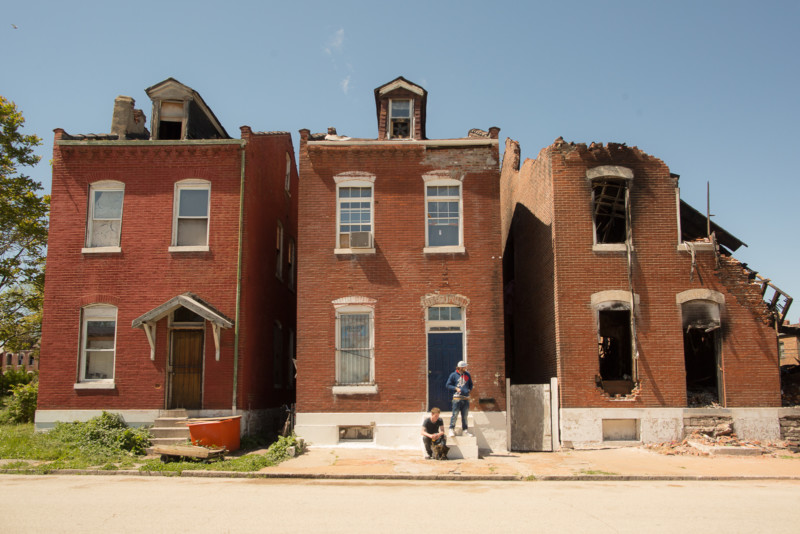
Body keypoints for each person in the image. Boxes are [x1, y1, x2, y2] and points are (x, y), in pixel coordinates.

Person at [446, 360, 473, 437]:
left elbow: (471, 384)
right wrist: (455, 388)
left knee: (465, 416)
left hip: (466, 398)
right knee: (455, 414)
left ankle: (465, 430)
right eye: (465, 367)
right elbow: (448, 385)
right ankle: (451, 429)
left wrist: (469, 390)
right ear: (460, 368)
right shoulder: (453, 375)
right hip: (457, 398)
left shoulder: (467, 374)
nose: (466, 368)